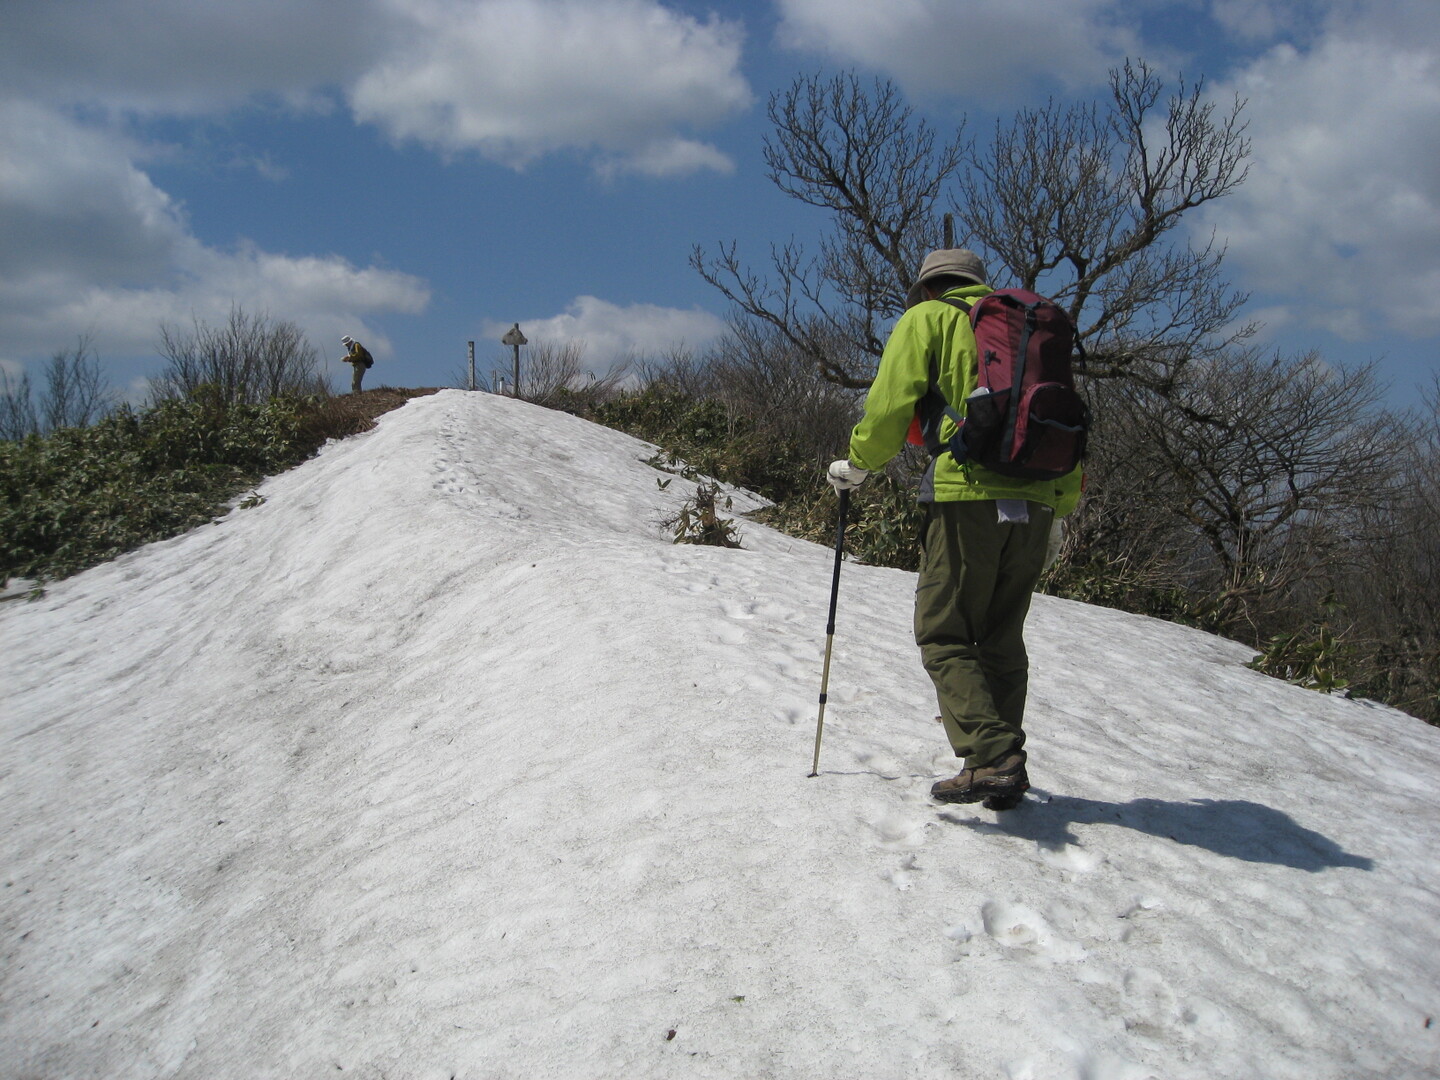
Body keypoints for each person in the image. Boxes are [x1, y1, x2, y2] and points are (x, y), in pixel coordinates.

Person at [827, 249, 1081, 808]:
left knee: (943, 630)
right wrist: (1058, 507)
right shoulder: (1025, 327)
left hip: (968, 493)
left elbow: (891, 403)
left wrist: (859, 463)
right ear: (976, 284)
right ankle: (1003, 765)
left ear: (927, 287)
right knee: (1001, 636)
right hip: (1038, 499)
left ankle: (991, 757)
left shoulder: (929, 318)